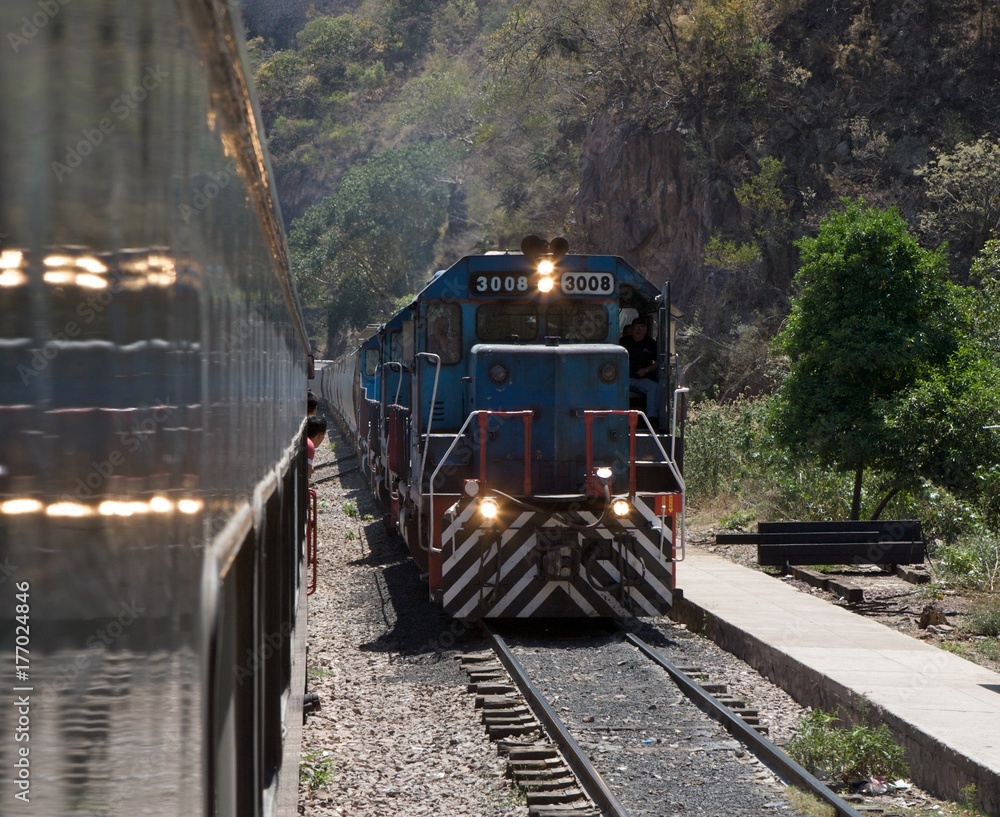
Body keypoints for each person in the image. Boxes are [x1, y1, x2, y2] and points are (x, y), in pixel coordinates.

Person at [621, 319, 658, 423]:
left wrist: (646, 370)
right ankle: (616, 418)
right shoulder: (623, 342)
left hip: (642, 380)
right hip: (623, 380)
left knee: (653, 387)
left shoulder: (651, 343)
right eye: (636, 327)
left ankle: (652, 419)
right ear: (632, 329)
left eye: (641, 327)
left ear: (645, 330)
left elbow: (659, 362)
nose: (639, 330)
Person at [305, 414, 327, 479]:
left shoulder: (303, 440)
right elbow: (306, 474)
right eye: (324, 434)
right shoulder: (309, 445)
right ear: (319, 435)